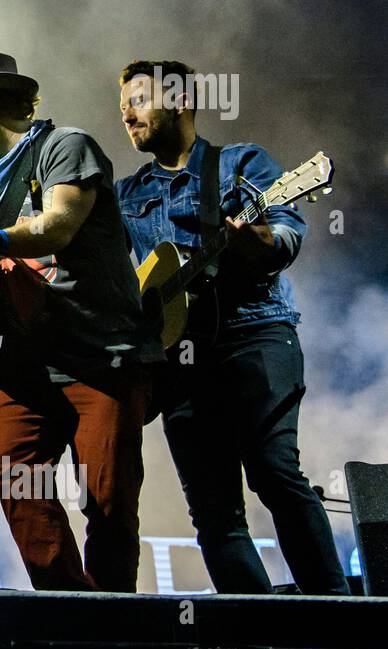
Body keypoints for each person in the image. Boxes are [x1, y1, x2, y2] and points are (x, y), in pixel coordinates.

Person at [0, 49, 161, 592]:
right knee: (15, 480)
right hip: (19, 365)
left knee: (109, 505)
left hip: (101, 356)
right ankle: (70, 615)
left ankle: (117, 630)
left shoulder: (65, 146)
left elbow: (58, 226)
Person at [114, 59, 349, 594]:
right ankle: (252, 639)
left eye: (139, 100)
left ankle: (338, 618)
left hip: (252, 333)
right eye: (122, 104)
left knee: (276, 475)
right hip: (178, 360)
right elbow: (113, 283)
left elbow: (286, 236)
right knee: (215, 513)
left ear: (180, 101)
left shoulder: (243, 163)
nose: (127, 114)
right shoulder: (127, 194)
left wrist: (260, 241)